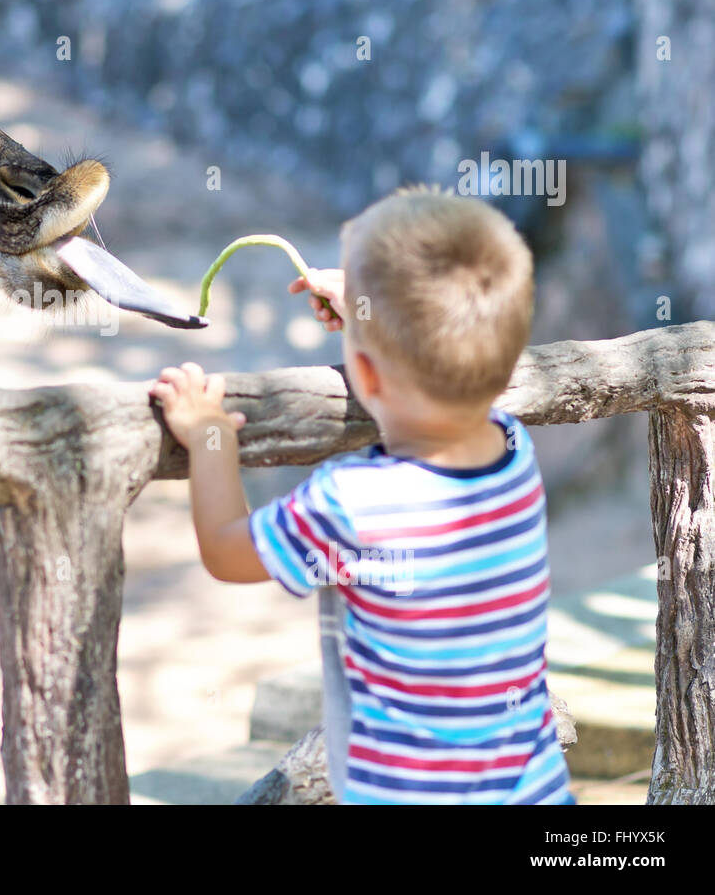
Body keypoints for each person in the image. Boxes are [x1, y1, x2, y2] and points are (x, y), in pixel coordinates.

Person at [149, 188, 574, 804]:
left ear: (366, 376)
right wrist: (380, 322)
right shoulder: (514, 450)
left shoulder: (350, 504)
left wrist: (211, 435)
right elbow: (446, 386)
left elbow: (224, 549)